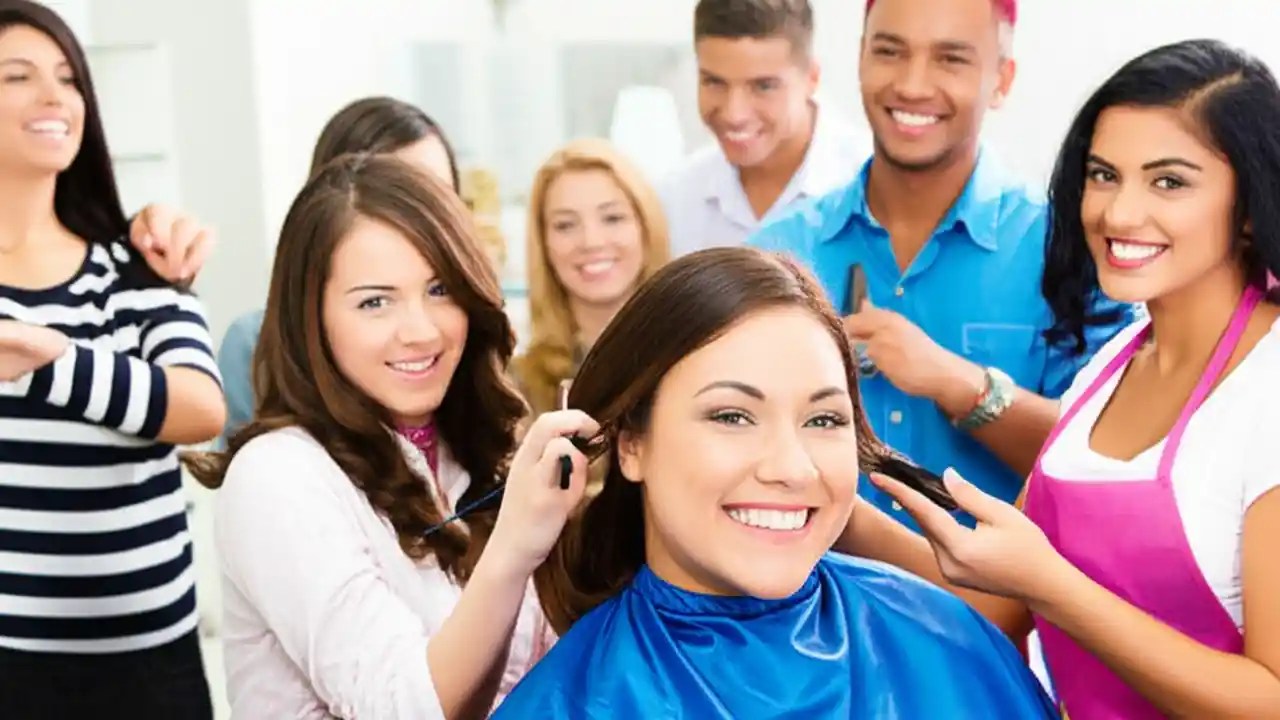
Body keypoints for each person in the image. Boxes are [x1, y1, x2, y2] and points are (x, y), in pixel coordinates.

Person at [869, 39, 1280, 718]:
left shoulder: (1269, 390)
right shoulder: (1108, 367)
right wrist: (834, 502)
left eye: (1169, 181)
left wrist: (1054, 586)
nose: (1117, 214)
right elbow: (997, 605)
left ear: (1248, 203)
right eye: (1103, 174)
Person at [494, 247, 1056, 718]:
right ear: (631, 444)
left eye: (823, 420)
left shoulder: (945, 644)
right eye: (731, 417)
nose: (791, 467)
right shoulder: (568, 702)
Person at [185, 154, 595, 718]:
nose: (420, 331)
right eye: (375, 302)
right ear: (311, 316)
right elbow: (404, 708)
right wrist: (516, 546)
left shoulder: (475, 455)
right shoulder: (277, 476)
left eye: (439, 290)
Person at [750, 0, 1134, 530]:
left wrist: (963, 386)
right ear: (860, 58)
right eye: (890, 52)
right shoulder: (776, 250)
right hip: (806, 606)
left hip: (996, 613)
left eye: (950, 59)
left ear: (1002, 80)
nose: (912, 84)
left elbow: (1114, 468)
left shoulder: (1076, 253)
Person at [0, 2, 225, 717]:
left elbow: (197, 409)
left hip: (150, 666)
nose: (54, 97)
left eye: (69, 78)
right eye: (18, 76)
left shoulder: (135, 265)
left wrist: (48, 357)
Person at [215, 95, 462, 441]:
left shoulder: (466, 330)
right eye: (392, 193)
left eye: (436, 196)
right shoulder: (253, 345)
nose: (417, 217)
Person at [658, 0, 870, 255]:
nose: (734, 114)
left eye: (763, 86)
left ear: (811, 79)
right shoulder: (674, 200)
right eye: (714, 82)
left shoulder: (876, 185)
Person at [510, 138, 669, 415]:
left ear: (646, 227)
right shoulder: (517, 387)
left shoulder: (695, 360)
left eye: (612, 218)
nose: (591, 241)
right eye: (565, 225)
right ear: (543, 243)